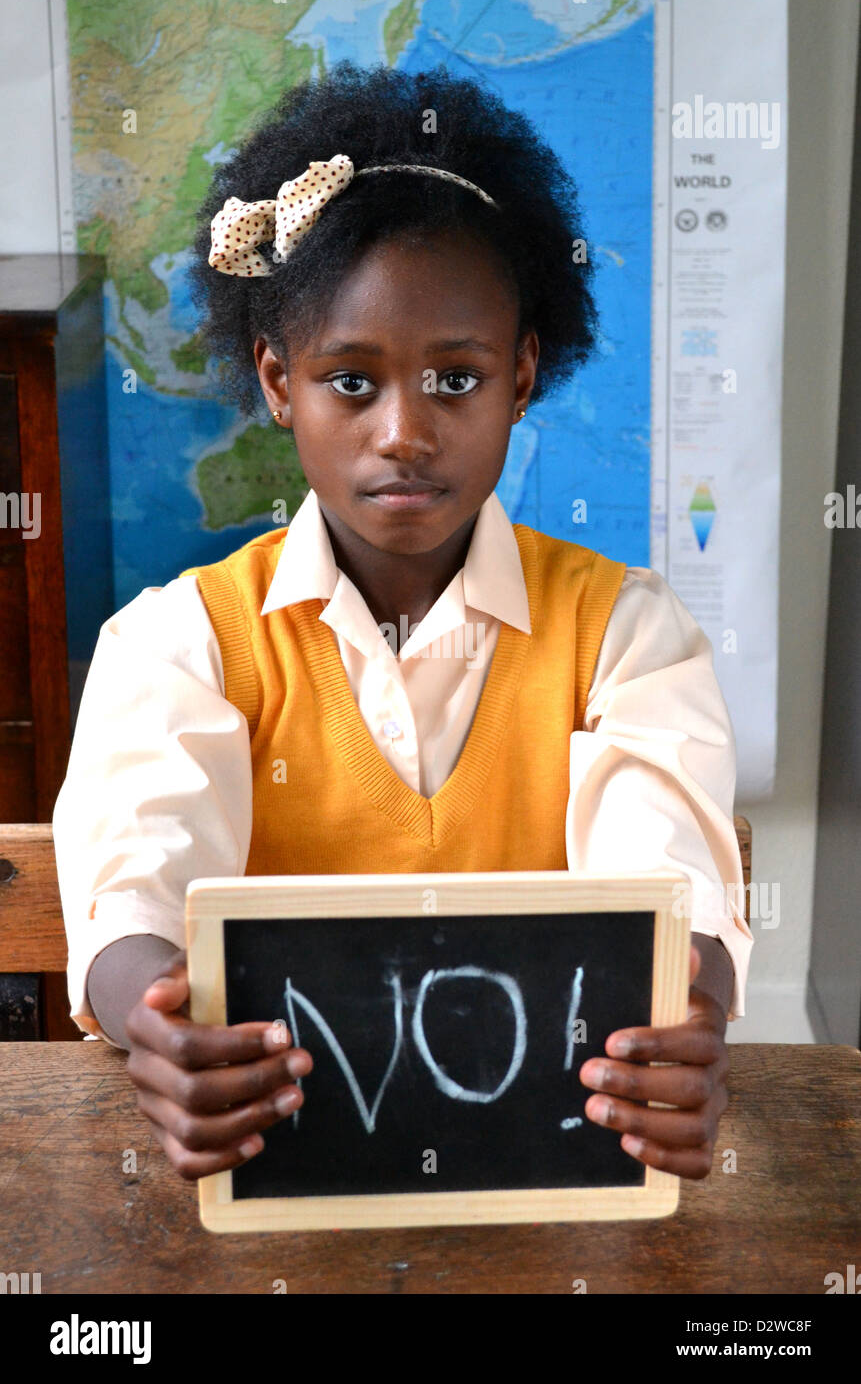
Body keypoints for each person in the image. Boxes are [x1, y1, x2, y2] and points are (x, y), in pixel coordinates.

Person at [53, 60, 753, 1184]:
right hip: (280, 1177)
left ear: (524, 375)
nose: (404, 433)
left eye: (457, 380)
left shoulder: (625, 633)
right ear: (278, 382)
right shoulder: (181, 644)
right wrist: (156, 1023)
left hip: (551, 1187)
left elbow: (668, 890)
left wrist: (693, 1014)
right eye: (350, 380)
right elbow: (136, 883)